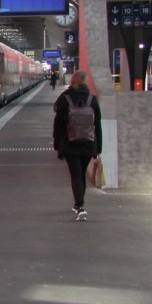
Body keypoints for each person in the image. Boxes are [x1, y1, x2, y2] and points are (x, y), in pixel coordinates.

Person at [53, 70, 102, 221]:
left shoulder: (64, 98)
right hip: (88, 143)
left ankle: (80, 206)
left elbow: (58, 125)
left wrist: (57, 144)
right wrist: (98, 148)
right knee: (81, 175)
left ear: (72, 80)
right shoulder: (92, 99)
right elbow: (97, 125)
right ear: (85, 81)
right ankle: (79, 204)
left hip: (70, 143)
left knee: (76, 176)